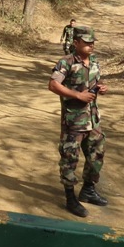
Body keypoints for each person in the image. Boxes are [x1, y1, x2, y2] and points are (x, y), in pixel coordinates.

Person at [47, 25, 109, 218]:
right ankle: (70, 197)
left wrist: (100, 87)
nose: (91, 46)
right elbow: (53, 84)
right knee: (69, 158)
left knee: (96, 154)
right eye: (87, 43)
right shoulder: (66, 62)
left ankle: (88, 190)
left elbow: (93, 82)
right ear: (76, 43)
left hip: (92, 119)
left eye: (93, 42)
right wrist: (77, 95)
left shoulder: (95, 61)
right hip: (74, 121)